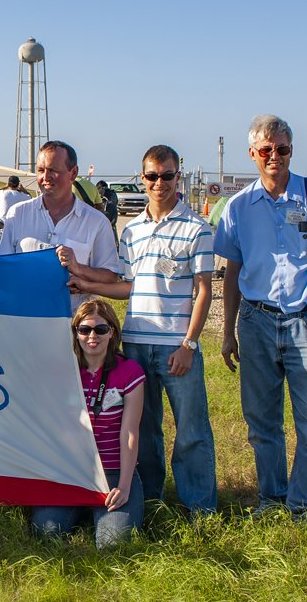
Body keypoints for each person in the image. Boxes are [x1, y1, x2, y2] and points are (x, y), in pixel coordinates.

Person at [215, 115, 307, 519]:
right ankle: (272, 500)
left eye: (283, 149)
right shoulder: (238, 207)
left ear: (291, 150)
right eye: (266, 150)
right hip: (256, 322)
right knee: (262, 422)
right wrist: (228, 332)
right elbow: (232, 272)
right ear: (253, 154)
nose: (275, 156)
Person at [70, 146, 217, 514]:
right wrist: (87, 283)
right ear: (142, 178)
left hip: (175, 347)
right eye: (152, 176)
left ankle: (199, 507)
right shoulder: (132, 230)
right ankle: (150, 501)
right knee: (145, 430)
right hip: (136, 344)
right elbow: (128, 286)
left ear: (177, 177)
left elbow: (204, 291)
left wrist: (190, 344)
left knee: (191, 432)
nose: (159, 183)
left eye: (167, 176)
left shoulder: (197, 227)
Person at [29, 299, 145, 548]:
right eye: (84, 330)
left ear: (111, 331)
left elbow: (130, 433)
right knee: (46, 532)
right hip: (73, 470)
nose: (92, 336)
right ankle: (83, 508)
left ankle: (100, 509)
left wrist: (124, 486)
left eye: (100, 329)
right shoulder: (63, 371)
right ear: (75, 333)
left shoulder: (130, 372)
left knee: (112, 545)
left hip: (113, 470)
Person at [0, 141, 121, 309]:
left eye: (53, 170)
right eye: (41, 170)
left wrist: (78, 268)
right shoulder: (17, 214)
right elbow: (1, 267)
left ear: (73, 173)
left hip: (73, 328)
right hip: (25, 322)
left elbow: (111, 277)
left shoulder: (97, 222)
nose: (45, 177)